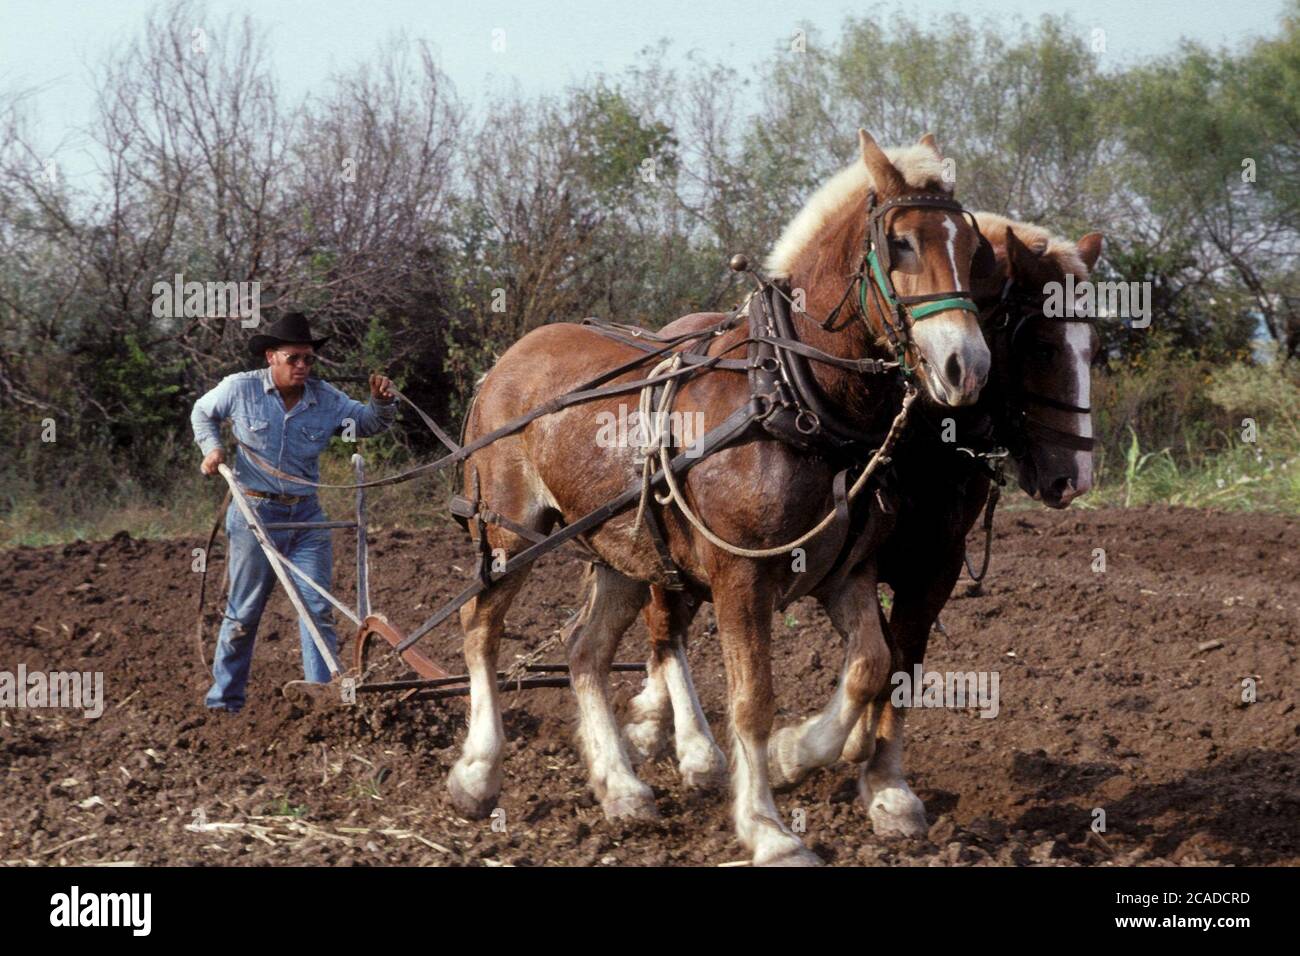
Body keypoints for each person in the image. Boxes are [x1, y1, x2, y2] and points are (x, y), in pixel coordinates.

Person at [191, 312, 396, 712]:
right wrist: (212, 449)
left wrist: (381, 402)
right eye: (294, 358)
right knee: (244, 613)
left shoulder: (326, 399)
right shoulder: (240, 389)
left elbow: (367, 424)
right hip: (255, 513)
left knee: (317, 606)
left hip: (306, 517)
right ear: (271, 357)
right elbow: (202, 412)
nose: (302, 366)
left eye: (308, 359)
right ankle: (224, 702)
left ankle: (321, 701)